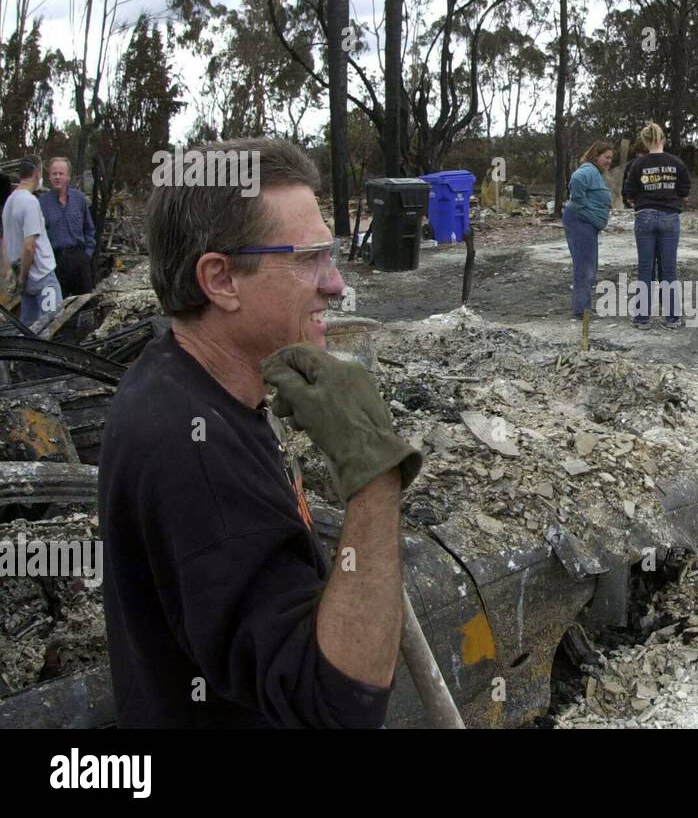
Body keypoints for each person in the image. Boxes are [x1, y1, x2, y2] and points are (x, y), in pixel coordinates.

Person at [98, 138, 423, 727]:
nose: (336, 283)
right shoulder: (192, 450)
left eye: (331, 254)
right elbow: (340, 702)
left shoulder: (189, 383)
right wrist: (375, 475)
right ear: (221, 279)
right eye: (309, 258)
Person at [622, 122, 690, 329]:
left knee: (645, 267)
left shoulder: (638, 165)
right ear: (663, 139)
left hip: (645, 216)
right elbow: (685, 189)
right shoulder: (676, 162)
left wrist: (641, 199)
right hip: (670, 217)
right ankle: (673, 318)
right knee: (668, 268)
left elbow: (629, 192)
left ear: (644, 141)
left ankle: (643, 318)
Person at [2, 158, 63, 332]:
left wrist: (11, 272)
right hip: (41, 276)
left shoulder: (9, 202)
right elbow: (30, 246)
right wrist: (22, 275)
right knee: (54, 325)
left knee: (28, 326)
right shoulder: (29, 202)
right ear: (37, 173)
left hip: (24, 280)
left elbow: (5, 241)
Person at [563, 141, 614, 319]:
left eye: (611, 158)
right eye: (606, 157)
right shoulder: (588, 171)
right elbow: (576, 181)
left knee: (587, 265)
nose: (609, 161)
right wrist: (584, 207)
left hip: (585, 223)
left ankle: (583, 307)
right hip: (581, 223)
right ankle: (581, 310)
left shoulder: (595, 173)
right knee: (585, 267)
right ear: (596, 156)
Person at [39, 156, 97, 296]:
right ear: (50, 177)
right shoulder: (42, 203)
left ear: (68, 177)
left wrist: (87, 255)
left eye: (61, 173)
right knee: (58, 310)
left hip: (79, 260)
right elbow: (39, 236)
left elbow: (89, 229)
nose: (57, 177)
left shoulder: (79, 199)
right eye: (54, 174)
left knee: (85, 306)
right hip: (55, 263)